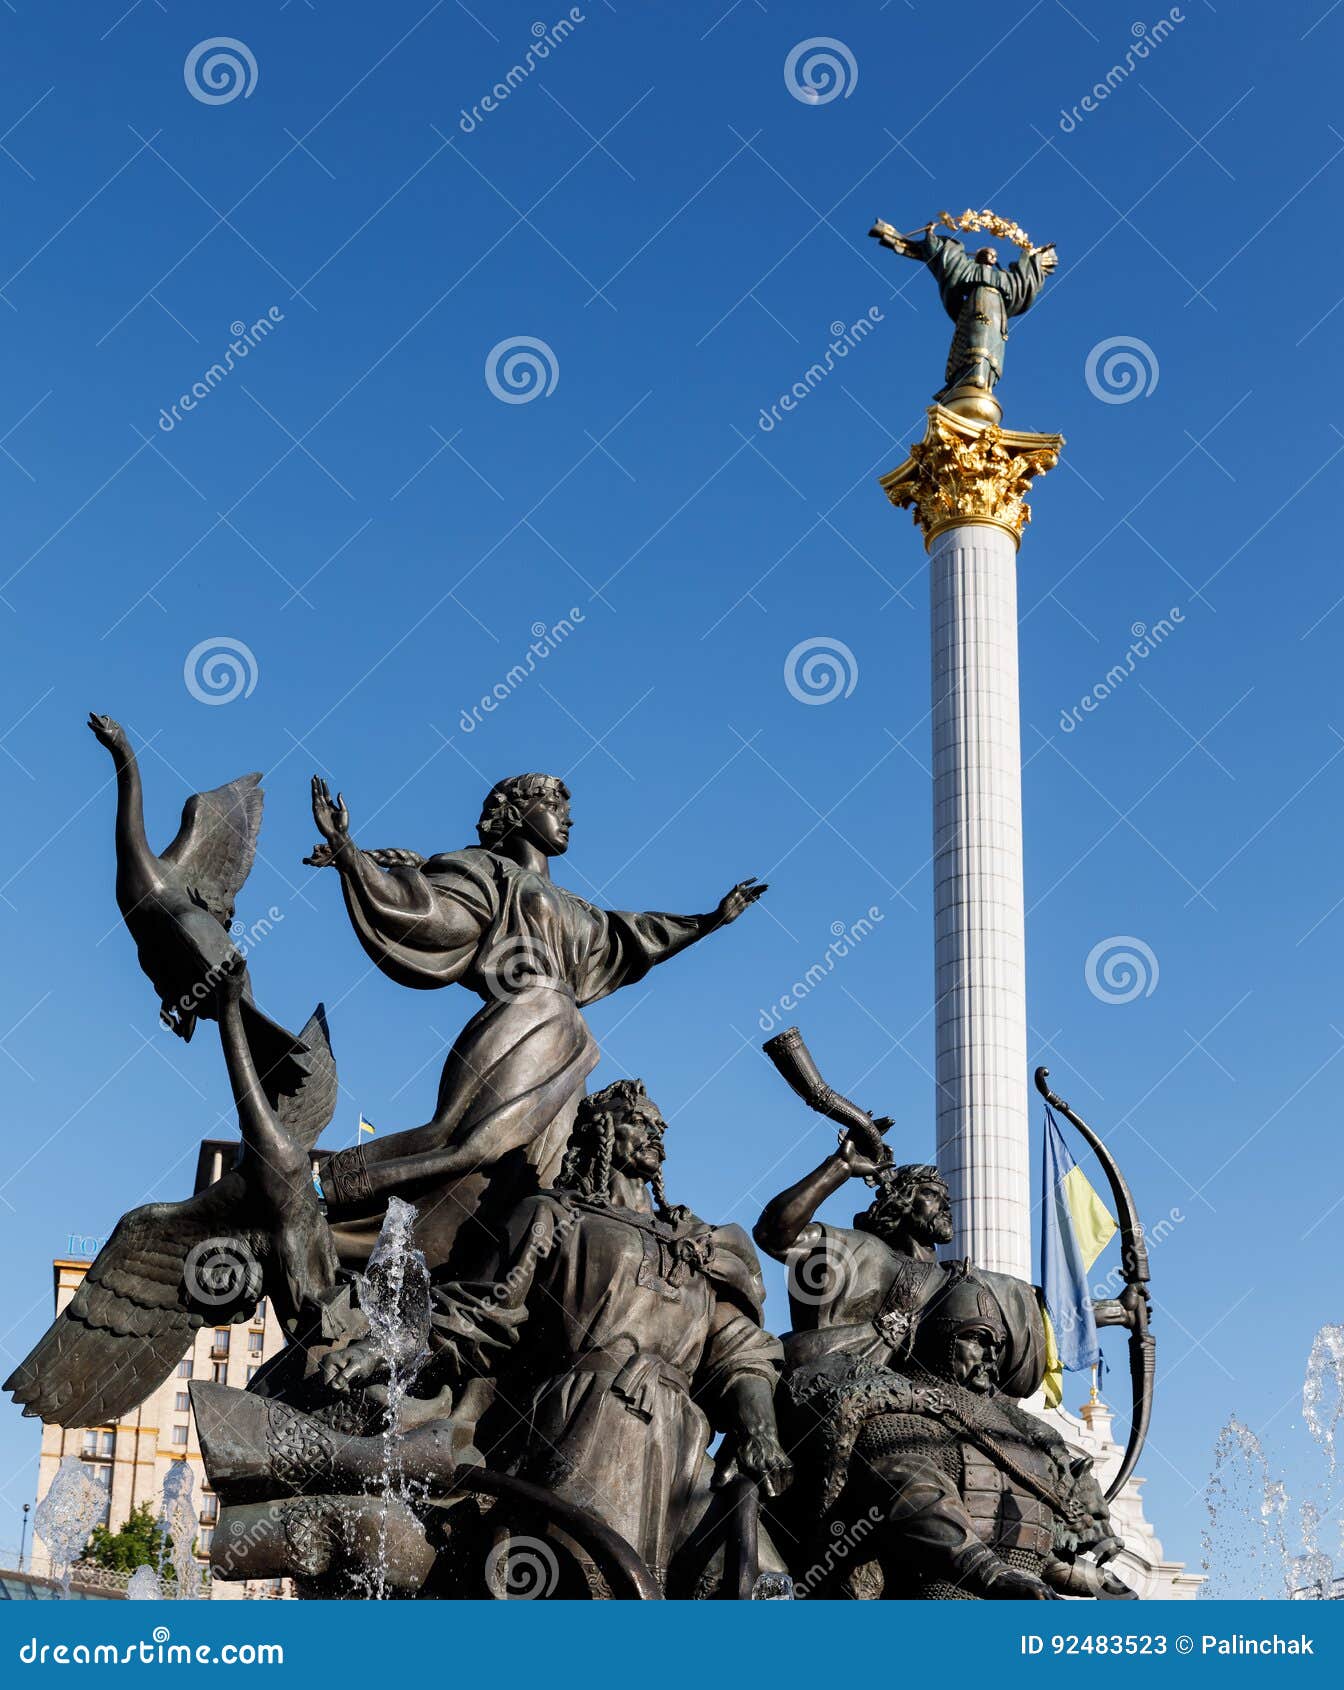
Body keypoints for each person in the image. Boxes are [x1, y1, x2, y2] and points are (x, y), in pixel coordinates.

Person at [324, 1078, 793, 1593]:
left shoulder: (698, 1246)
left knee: (767, 1585)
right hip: (590, 1421)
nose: (655, 1131)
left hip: (681, 1439)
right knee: (591, 1585)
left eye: (660, 1125)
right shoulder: (556, 1215)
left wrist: (760, 1427)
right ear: (602, 1132)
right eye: (639, 1121)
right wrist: (386, 1345)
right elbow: (483, 1310)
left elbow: (740, 1351)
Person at [306, 772, 765, 1268]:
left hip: (566, 1040)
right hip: (520, 1017)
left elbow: (636, 937)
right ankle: (324, 1190)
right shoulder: (483, 870)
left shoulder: (577, 906)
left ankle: (486, 1282)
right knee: (466, 1147)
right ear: (514, 811)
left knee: (534, 1182)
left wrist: (708, 922)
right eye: (552, 802)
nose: (567, 815)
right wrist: (351, 857)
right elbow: (434, 920)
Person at [755, 1144, 1123, 1600]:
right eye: (932, 1193)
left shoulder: (970, 1279)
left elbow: (1045, 1313)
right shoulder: (864, 1253)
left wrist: (1110, 1311)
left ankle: (1070, 1539)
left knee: (1043, 1446)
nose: (946, 1203)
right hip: (872, 1405)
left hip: (952, 1410)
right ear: (899, 1203)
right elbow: (776, 1233)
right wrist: (841, 1166)